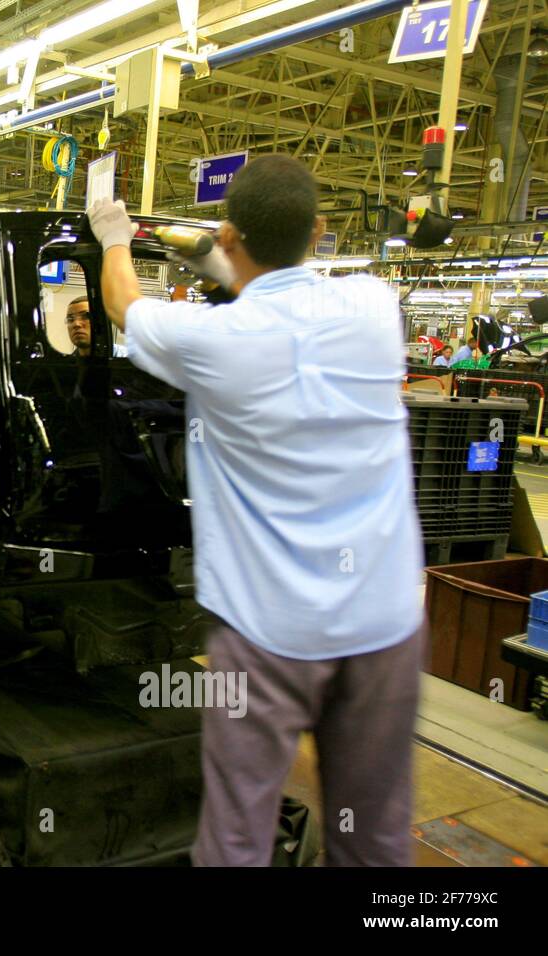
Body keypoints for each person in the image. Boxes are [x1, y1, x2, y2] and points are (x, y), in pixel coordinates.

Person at [89, 154, 425, 867]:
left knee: (237, 838)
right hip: (384, 625)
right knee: (374, 840)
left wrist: (114, 234)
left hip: (265, 636)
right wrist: (227, 259)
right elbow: (282, 303)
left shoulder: (209, 339)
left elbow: (123, 303)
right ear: (320, 231)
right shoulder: (375, 306)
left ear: (230, 234)